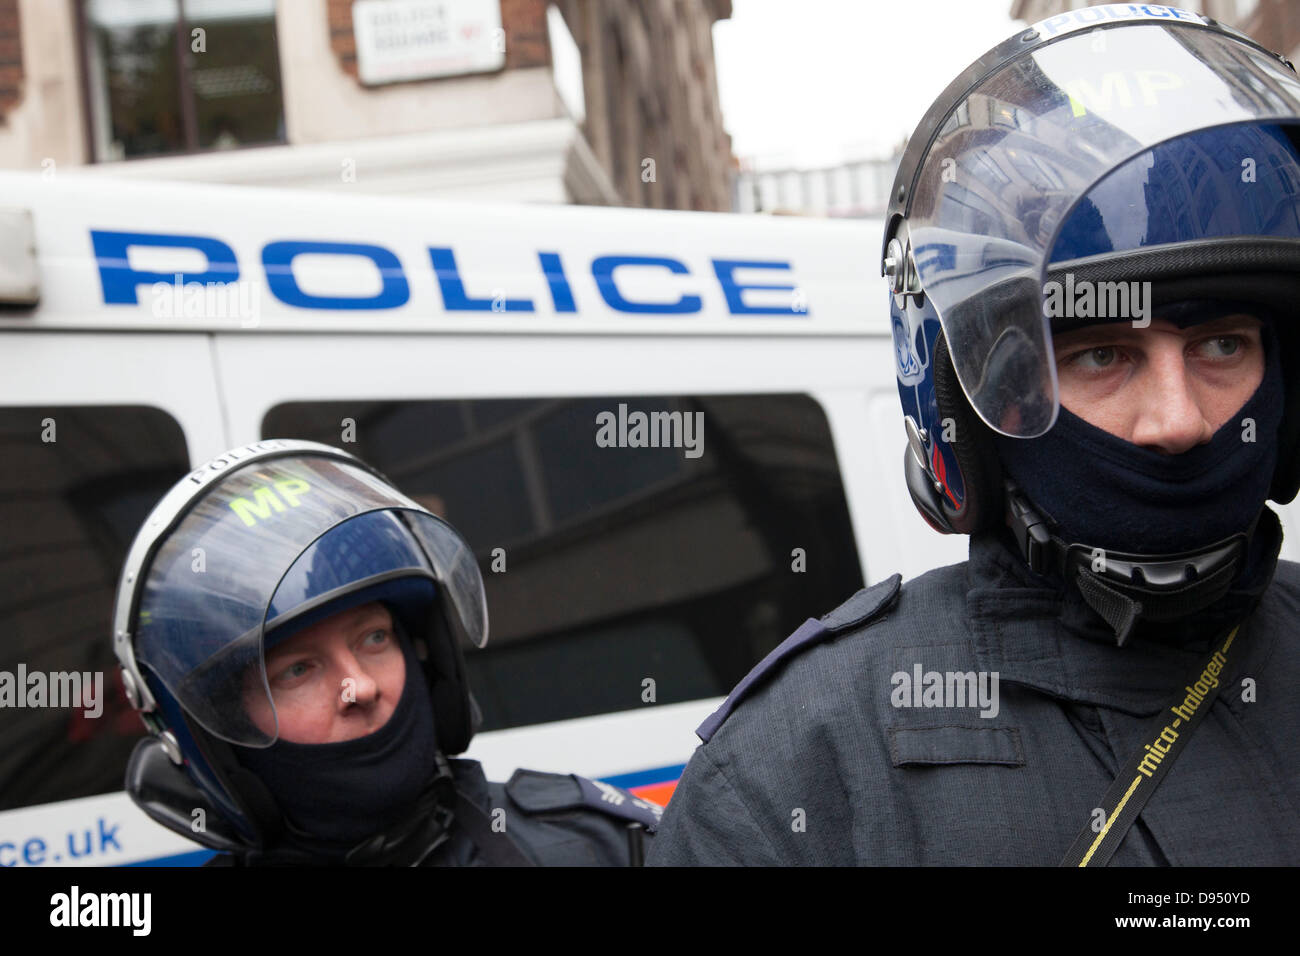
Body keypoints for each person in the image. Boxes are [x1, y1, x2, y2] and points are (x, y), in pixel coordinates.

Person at [648, 9, 1300, 866]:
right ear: (976, 397)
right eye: (1104, 354)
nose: (1178, 419)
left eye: (1222, 345)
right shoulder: (795, 772)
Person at [113, 439, 660, 865]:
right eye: (298, 670)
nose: (363, 687)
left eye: (374, 639)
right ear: (214, 738)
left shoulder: (593, 845)